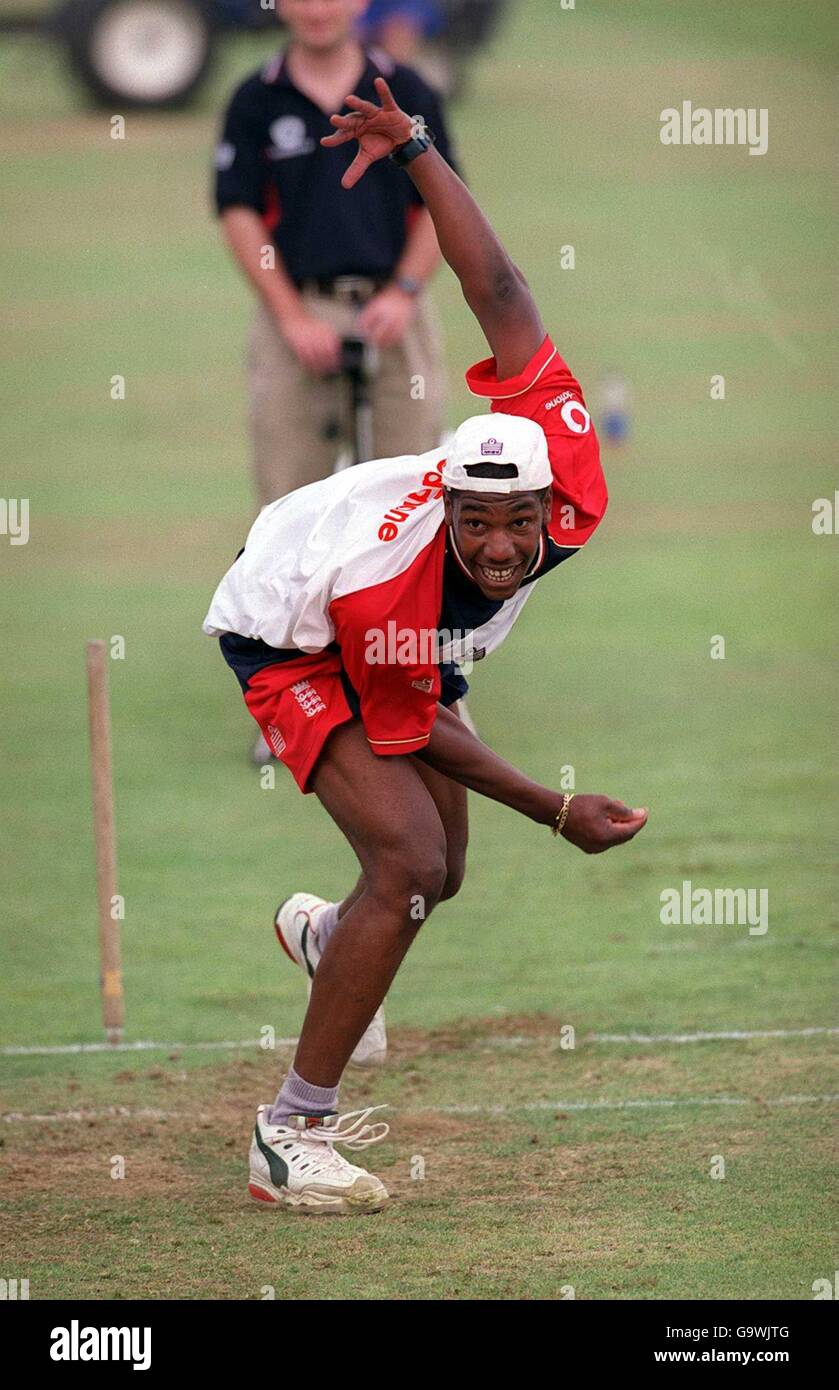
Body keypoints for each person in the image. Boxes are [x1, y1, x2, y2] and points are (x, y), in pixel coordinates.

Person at [203, 78, 649, 1215]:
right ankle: (288, 1130)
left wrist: (416, 150)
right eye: (476, 523)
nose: (501, 547)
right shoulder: (390, 587)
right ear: (445, 505)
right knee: (406, 861)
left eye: (516, 522)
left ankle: (324, 937)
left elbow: (497, 287)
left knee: (433, 877)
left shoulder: (561, 463)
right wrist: (557, 811)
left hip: (397, 631)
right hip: (287, 626)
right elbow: (428, 730)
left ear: (551, 501)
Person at [214, 0, 458, 507]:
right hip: (298, 312)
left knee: (411, 501)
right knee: (289, 509)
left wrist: (405, 292)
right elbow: (238, 212)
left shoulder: (406, 90)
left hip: (396, 312)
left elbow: (444, 203)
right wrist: (292, 317)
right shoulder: (256, 98)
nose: (318, 8)